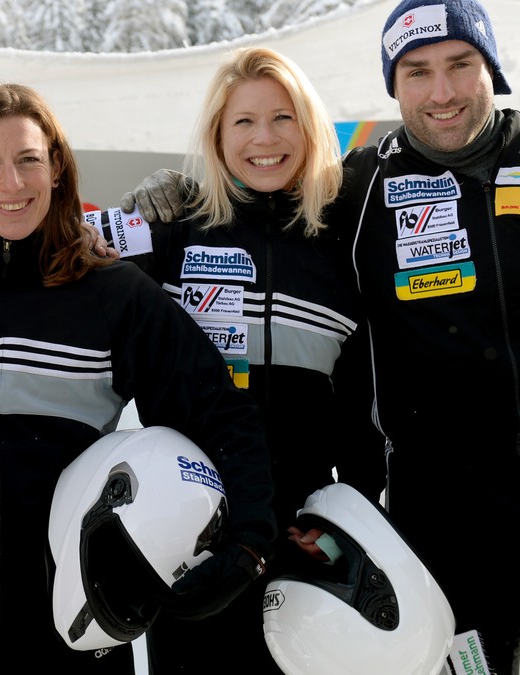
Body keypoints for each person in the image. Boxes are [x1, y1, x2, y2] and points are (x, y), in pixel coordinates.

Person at [123, 1, 520, 673]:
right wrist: (171, 197)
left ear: (490, 69)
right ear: (394, 83)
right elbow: (260, 199)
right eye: (417, 72)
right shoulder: (355, 192)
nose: (440, 92)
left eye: (459, 66)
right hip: (436, 532)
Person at [0, 82, 276, 675]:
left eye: (29, 160)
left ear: (59, 170)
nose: (11, 183)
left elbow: (216, 408)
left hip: (78, 622)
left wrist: (248, 543)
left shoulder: (109, 291)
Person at [129, 47, 377, 675]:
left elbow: (361, 411)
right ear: (216, 135)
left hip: (303, 541)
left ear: (310, 127)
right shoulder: (173, 229)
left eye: (282, 117)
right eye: (242, 122)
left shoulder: (342, 243)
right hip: (190, 539)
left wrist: (345, 521)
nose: (263, 139)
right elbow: (38, 236)